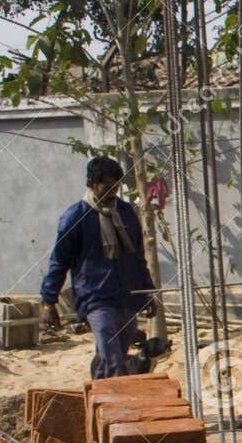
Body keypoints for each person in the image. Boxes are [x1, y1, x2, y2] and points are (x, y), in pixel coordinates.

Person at [40, 156, 157, 379]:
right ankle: (119, 409)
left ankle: (97, 397)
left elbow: (138, 258)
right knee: (113, 359)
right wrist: (49, 302)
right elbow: (59, 261)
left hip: (127, 296)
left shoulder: (126, 213)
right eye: (108, 184)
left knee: (114, 355)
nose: (114, 189)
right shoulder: (76, 217)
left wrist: (147, 292)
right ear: (93, 184)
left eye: (117, 184)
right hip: (96, 297)